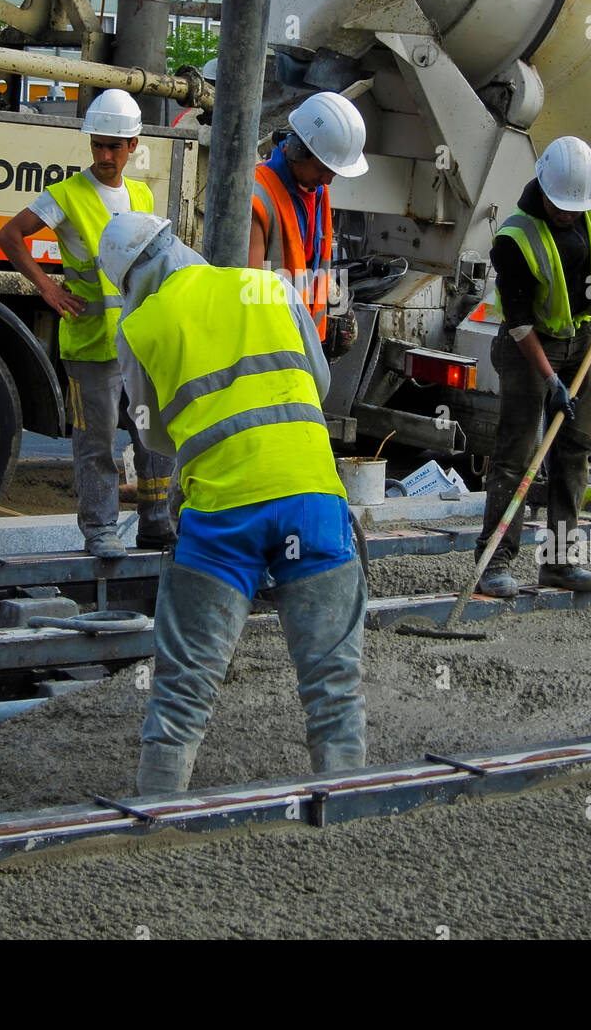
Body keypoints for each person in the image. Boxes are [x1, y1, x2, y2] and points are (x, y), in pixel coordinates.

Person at [99, 211, 368, 795]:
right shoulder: (268, 286)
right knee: (333, 685)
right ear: (176, 245)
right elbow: (318, 385)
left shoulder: (141, 326)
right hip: (313, 500)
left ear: (129, 281)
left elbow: (153, 437)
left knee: (182, 693)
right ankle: (351, 817)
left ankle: (156, 824)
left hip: (223, 513)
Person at [0, 89, 174, 557]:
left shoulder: (140, 194)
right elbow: (9, 235)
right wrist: (47, 288)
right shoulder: (67, 195)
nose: (105, 155)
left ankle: (156, 523)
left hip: (136, 340)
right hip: (90, 343)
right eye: (98, 145)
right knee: (94, 442)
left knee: (153, 434)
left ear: (133, 146)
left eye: (115, 146)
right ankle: (99, 529)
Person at [474, 136, 591, 598]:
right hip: (531, 348)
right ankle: (495, 562)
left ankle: (560, 562)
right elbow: (520, 325)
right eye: (559, 206)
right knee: (517, 458)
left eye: (574, 206)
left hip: (583, 338)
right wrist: (551, 381)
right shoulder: (513, 240)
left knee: (574, 450)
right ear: (542, 185)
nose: (568, 213)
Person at [248, 91, 367, 342]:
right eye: (324, 169)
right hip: (270, 345)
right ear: (297, 150)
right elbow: (248, 292)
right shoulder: (257, 196)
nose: (329, 180)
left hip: (305, 342)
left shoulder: (318, 190)